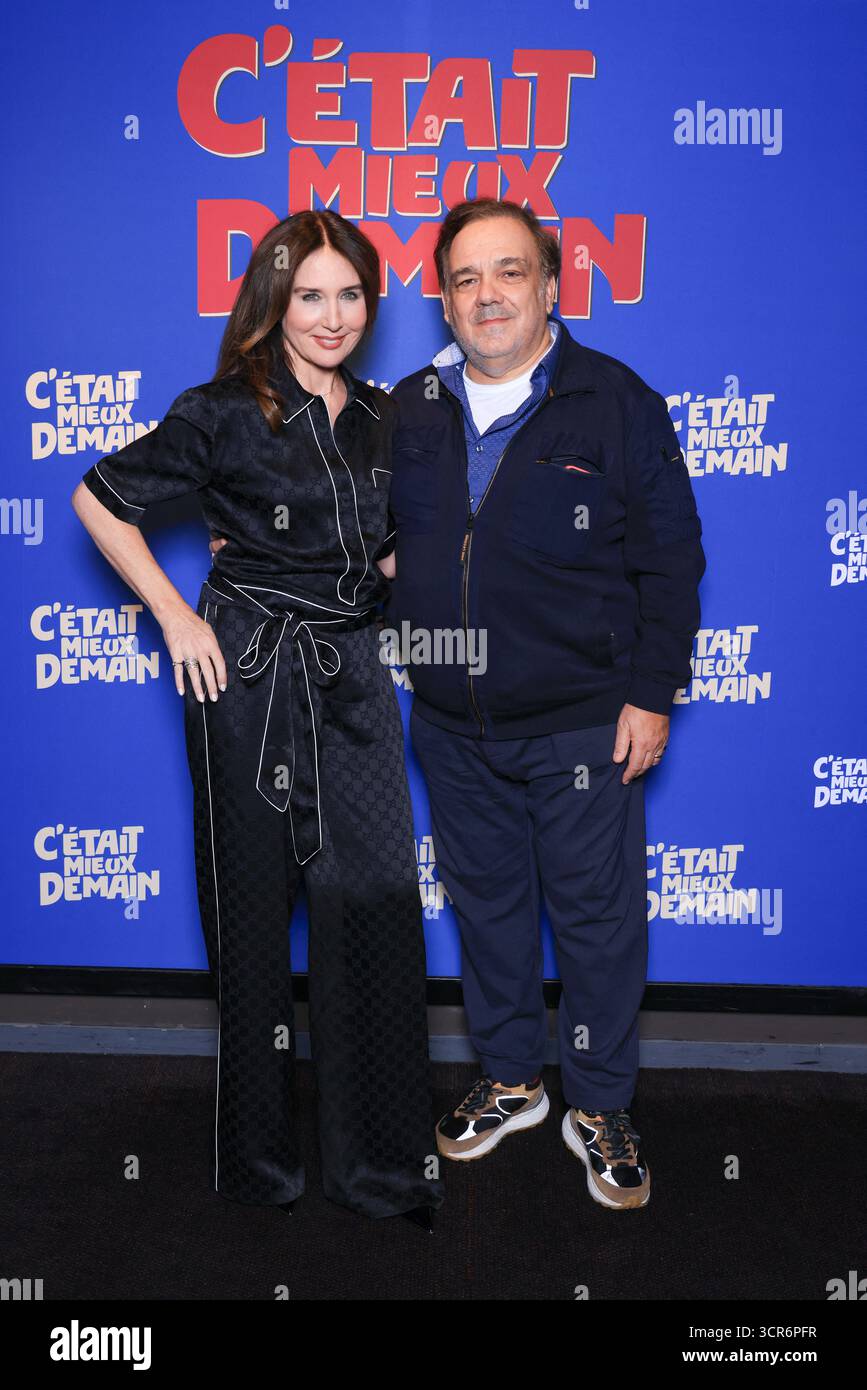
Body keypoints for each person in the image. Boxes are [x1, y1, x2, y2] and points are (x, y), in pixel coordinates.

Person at [71, 209, 444, 1229]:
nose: (332, 316)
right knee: (249, 914)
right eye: (310, 294)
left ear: (373, 302)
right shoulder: (224, 409)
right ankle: (260, 1167)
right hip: (247, 674)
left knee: (371, 903)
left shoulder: (382, 415)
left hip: (356, 675)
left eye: (351, 294)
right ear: (273, 300)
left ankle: (378, 1166)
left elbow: (383, 557)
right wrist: (175, 617)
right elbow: (101, 497)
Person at [385, 198, 706, 1210]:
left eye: (509, 272)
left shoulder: (614, 401)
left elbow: (672, 557)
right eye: (467, 277)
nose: (488, 294)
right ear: (443, 295)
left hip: (581, 720)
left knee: (599, 923)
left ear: (552, 287)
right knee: (488, 909)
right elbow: (358, 532)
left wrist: (652, 694)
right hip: (447, 719)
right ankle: (516, 1078)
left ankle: (601, 1101)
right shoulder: (408, 405)